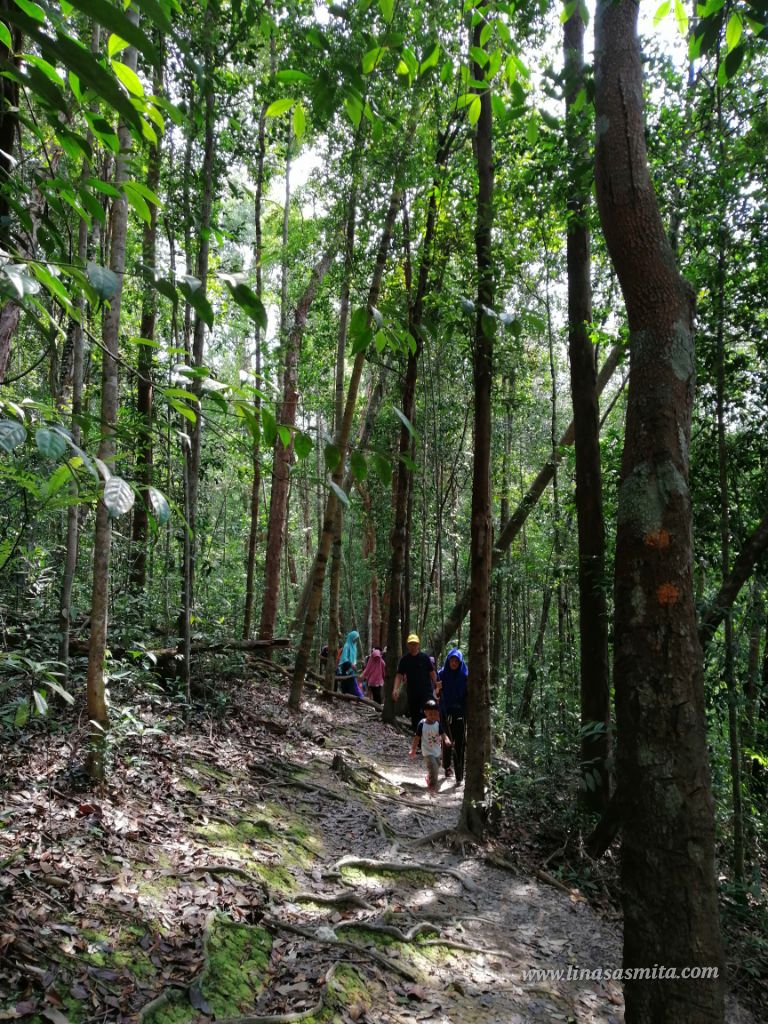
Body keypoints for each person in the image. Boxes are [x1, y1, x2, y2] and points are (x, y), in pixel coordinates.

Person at [393, 633, 437, 733]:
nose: (413, 646)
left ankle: (429, 737)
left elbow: (432, 673)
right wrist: (395, 689)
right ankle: (418, 739)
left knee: (427, 713)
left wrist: (437, 686)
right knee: (415, 715)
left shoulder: (425, 658)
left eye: (415, 644)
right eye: (411, 644)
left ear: (418, 645)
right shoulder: (405, 660)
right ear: (407, 645)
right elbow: (399, 675)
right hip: (413, 693)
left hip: (426, 692)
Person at [438, 648, 468, 784]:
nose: (454, 663)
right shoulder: (441, 674)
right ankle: (447, 767)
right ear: (448, 660)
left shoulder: (464, 675)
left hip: (460, 713)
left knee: (460, 743)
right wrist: (438, 689)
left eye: (456, 661)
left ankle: (459, 774)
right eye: (452, 660)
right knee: (446, 741)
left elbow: (468, 695)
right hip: (445, 711)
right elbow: (436, 691)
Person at [409, 699, 451, 795]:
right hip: (427, 752)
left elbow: (443, 734)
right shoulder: (422, 724)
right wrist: (413, 750)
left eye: (434, 714)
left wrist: (446, 740)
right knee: (434, 768)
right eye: (430, 714)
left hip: (437, 751)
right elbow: (417, 738)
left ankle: (429, 777)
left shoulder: (437, 724)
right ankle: (432, 786)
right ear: (425, 712)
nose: (432, 716)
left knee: (437, 765)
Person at [336, 630, 364, 698]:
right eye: (355, 638)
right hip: (346, 667)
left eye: (356, 639)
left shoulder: (354, 646)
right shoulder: (347, 646)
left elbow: (353, 658)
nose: (355, 640)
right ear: (351, 637)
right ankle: (359, 697)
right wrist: (351, 664)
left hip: (352, 668)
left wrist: (354, 664)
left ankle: (351, 697)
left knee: (351, 683)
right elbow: (344, 658)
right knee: (349, 683)